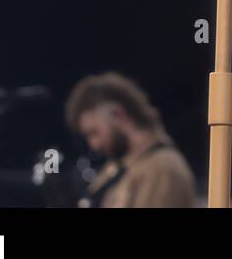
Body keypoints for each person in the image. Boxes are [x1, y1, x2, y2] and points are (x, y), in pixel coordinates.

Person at [64, 72, 197, 207]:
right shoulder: (117, 165)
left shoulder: (162, 168)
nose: (94, 145)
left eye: (94, 132)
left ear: (117, 113)